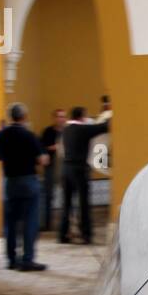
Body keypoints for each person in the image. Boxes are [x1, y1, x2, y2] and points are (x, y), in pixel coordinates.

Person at [0, 102, 48, 271]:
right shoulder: (30, 135)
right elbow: (42, 160)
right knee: (30, 221)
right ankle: (27, 259)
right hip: (29, 180)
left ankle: (11, 259)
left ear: (10, 116)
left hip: (10, 182)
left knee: (10, 223)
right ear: (24, 116)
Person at [58, 105, 111, 244]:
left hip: (65, 169)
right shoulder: (82, 129)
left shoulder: (66, 130)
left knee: (66, 203)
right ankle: (86, 235)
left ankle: (62, 235)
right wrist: (109, 114)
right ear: (82, 117)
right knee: (83, 204)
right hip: (79, 170)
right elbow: (104, 127)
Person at [38, 108, 66, 231]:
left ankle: (65, 225)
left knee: (67, 195)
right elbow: (41, 147)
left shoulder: (68, 131)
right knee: (48, 195)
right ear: (54, 118)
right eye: (59, 116)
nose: (61, 119)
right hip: (51, 166)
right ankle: (47, 223)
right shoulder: (48, 131)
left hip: (64, 166)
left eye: (63, 116)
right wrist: (54, 148)